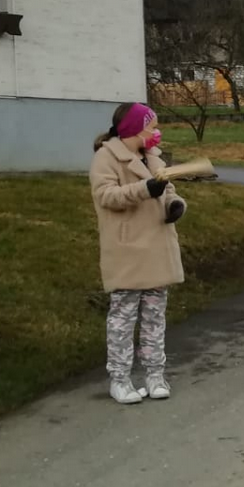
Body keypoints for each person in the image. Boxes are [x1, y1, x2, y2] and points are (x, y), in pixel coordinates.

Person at [90, 103, 186, 405]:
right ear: (133, 129)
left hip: (157, 249)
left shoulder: (154, 157)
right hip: (127, 251)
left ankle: (155, 374)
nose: (156, 132)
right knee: (122, 318)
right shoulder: (106, 158)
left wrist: (174, 204)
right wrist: (146, 189)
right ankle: (119, 379)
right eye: (151, 126)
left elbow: (166, 191)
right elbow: (107, 196)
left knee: (155, 318)